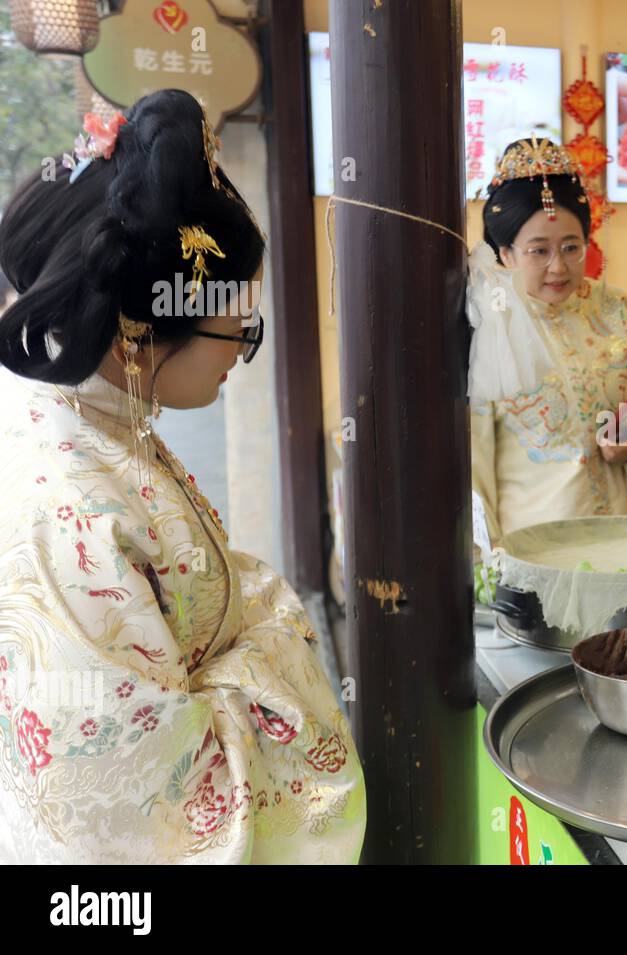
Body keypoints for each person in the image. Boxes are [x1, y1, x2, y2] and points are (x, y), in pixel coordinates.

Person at [0, 91, 365, 863]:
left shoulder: (92, 417)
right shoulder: (70, 507)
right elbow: (143, 809)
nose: (240, 352)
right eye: (239, 328)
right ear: (141, 329)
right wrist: (274, 643)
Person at [469, 137, 627, 548]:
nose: (558, 267)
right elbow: (473, 468)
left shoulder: (616, 310)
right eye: (538, 251)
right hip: (535, 551)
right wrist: (487, 562)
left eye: (571, 248)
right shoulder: (485, 326)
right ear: (505, 253)